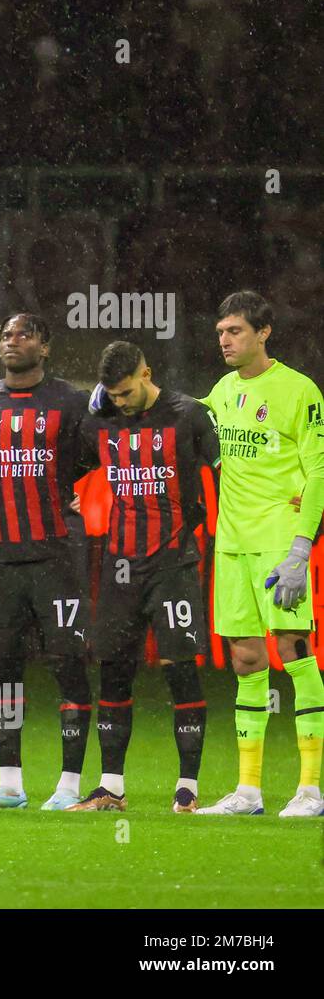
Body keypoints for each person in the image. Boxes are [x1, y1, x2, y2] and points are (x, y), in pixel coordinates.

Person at [68, 341, 216, 813]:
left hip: (173, 563)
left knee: (180, 670)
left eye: (128, 392)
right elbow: (68, 459)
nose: (122, 401)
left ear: (148, 374)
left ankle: (187, 788)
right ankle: (111, 786)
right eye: (112, 394)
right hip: (120, 564)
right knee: (113, 669)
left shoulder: (190, 416)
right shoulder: (101, 420)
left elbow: (224, 476)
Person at [192, 292, 324, 817]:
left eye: (236, 331)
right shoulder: (222, 391)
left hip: (278, 544)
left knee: (293, 651)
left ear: (264, 332)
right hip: (232, 546)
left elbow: (318, 471)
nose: (225, 340)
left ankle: (311, 789)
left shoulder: (299, 390)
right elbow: (178, 421)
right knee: (246, 659)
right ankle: (248, 791)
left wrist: (300, 548)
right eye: (221, 331)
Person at [0, 313, 95, 811]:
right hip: (4, 558)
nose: (12, 341)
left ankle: (69, 786)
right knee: (2, 668)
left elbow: (97, 455)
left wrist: (74, 494)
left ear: (46, 346)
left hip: (57, 555)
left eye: (24, 334)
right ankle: (10, 785)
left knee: (68, 664)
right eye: (5, 334)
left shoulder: (71, 401)